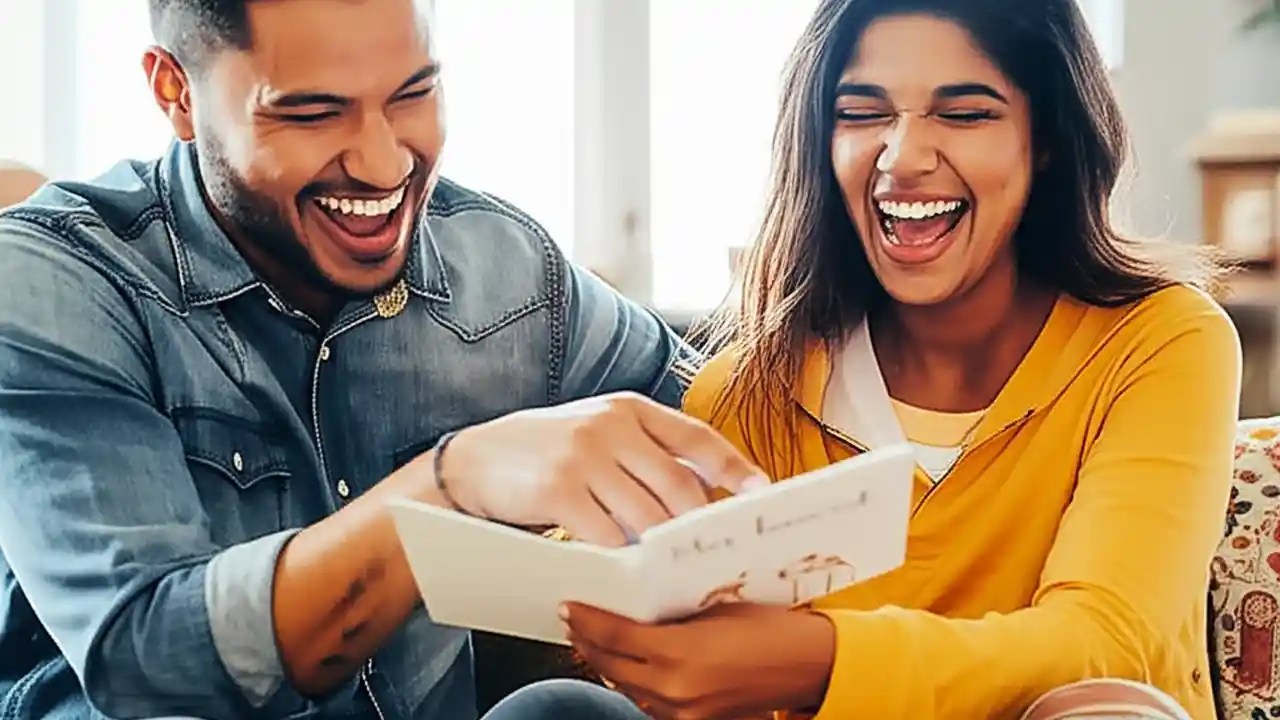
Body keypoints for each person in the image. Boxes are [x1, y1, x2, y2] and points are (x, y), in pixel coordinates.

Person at [0, 0, 765, 718]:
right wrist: (454, 482)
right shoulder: (56, 280)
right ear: (176, 92)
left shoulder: (508, 272)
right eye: (312, 112)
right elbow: (146, 654)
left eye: (412, 95)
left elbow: (735, 423)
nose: (381, 164)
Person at [554, 0, 1240, 718]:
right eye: (861, 113)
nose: (903, 157)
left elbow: (1107, 644)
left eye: (966, 114)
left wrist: (816, 661)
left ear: (1046, 140)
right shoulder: (747, 391)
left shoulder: (1160, 342)